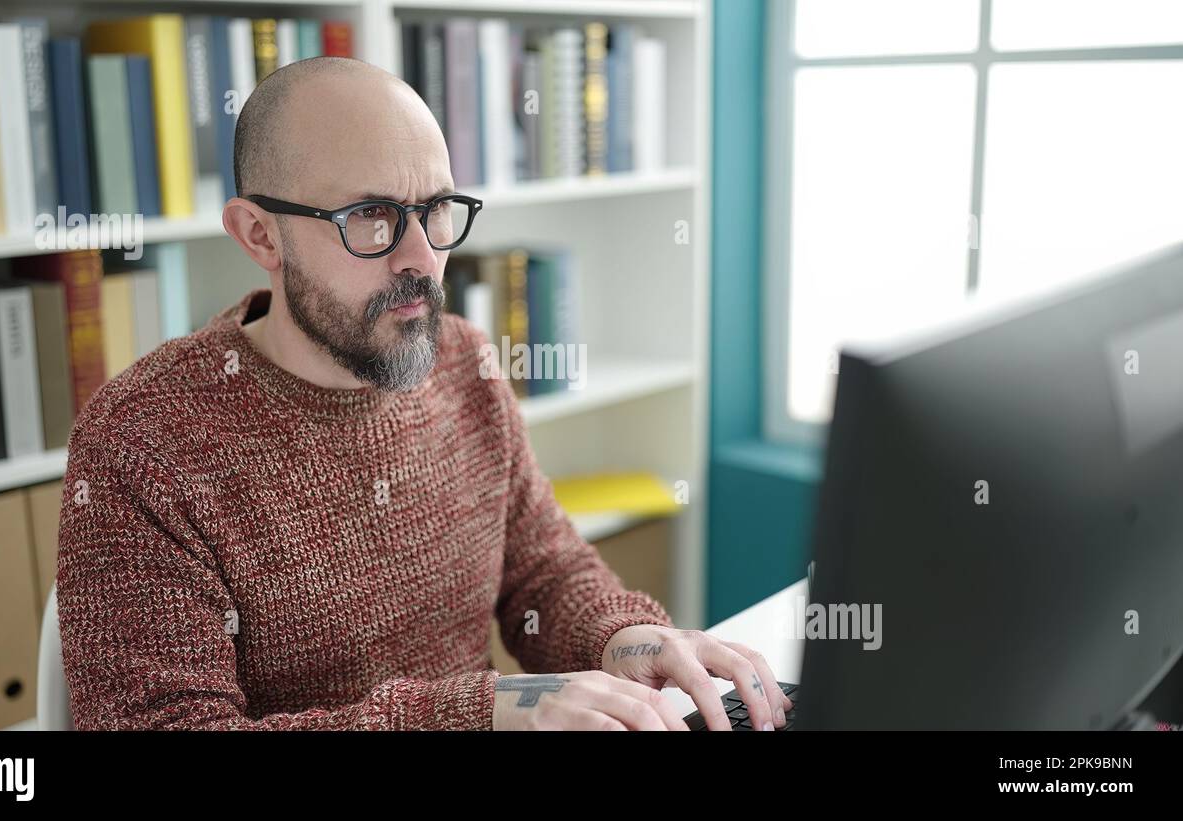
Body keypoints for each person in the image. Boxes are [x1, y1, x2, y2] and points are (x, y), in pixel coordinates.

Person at [56, 56, 791, 730]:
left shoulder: (465, 360)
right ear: (260, 235)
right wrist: (475, 713)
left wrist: (623, 634)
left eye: (435, 209)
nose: (421, 259)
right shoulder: (140, 441)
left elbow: (542, 570)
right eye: (370, 217)